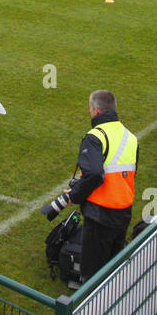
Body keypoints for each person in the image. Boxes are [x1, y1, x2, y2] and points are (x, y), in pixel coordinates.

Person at [63, 89, 138, 280]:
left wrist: (74, 195)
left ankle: (90, 308)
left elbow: (95, 174)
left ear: (96, 111)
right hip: (123, 211)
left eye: (89, 108)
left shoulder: (95, 137)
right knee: (113, 268)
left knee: (92, 274)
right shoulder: (130, 137)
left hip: (100, 215)